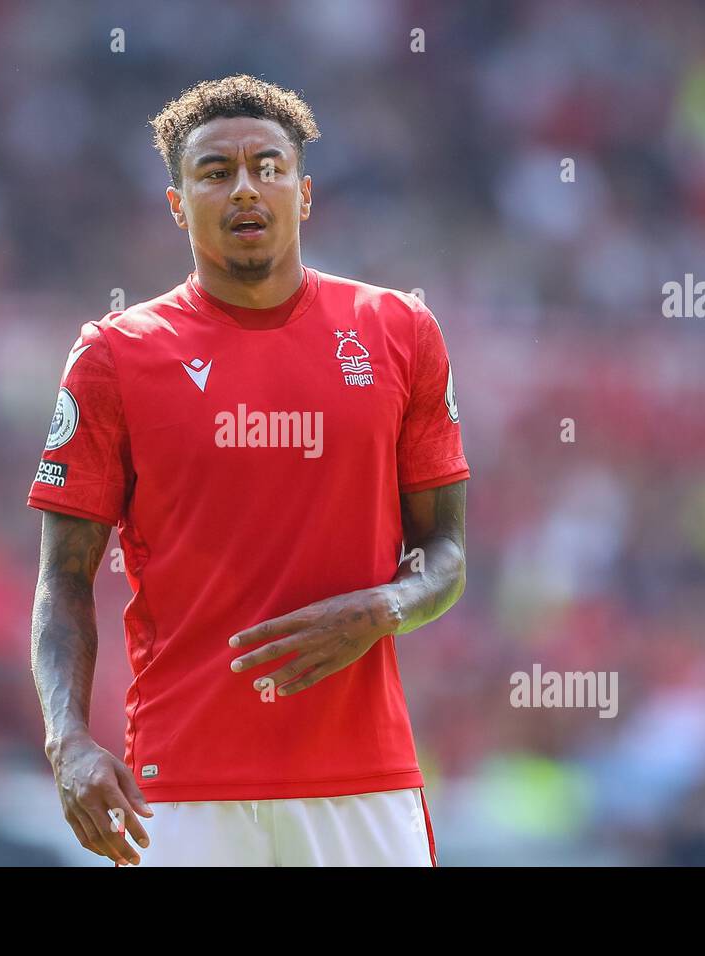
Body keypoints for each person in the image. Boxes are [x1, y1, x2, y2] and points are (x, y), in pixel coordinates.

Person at [28, 74, 469, 866]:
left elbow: (448, 554)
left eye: (268, 166)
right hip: (180, 789)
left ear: (304, 194)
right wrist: (67, 742)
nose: (245, 188)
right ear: (176, 203)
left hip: (360, 781)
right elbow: (63, 576)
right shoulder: (114, 356)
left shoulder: (400, 332)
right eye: (214, 171)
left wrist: (384, 607)